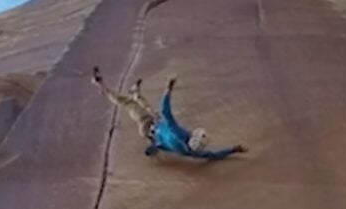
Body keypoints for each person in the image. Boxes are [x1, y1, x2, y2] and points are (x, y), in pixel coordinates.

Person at [92, 67, 247, 161]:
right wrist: (232, 150)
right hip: (154, 133)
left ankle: (100, 84)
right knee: (147, 107)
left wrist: (168, 89)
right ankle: (135, 92)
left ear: (193, 138)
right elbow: (213, 155)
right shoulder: (192, 153)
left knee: (127, 103)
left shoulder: (177, 133)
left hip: (148, 125)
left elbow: (166, 110)